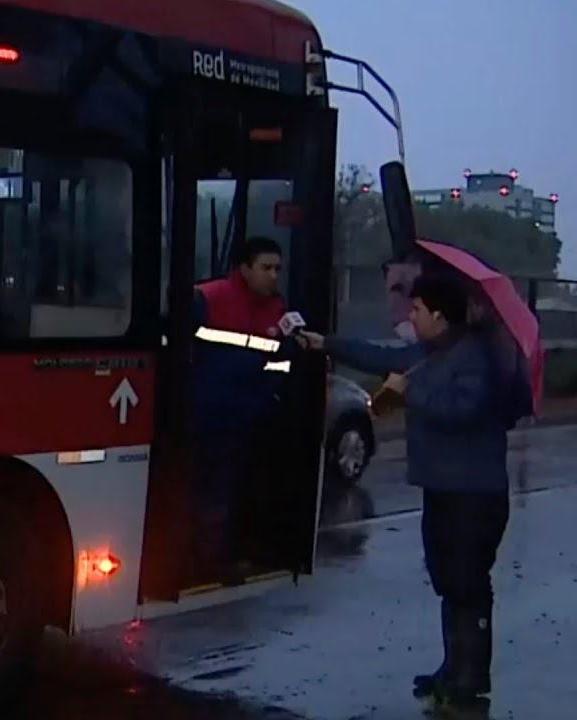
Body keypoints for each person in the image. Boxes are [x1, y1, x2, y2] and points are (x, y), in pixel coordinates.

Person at [298, 272, 515, 708]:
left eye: (417, 310)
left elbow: (465, 410)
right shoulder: (429, 353)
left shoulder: (476, 357)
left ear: (439, 315)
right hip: (440, 487)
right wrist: (326, 343)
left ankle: (472, 676)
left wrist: (407, 396)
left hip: (474, 493)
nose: (410, 317)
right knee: (447, 578)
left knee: (468, 583)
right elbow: (380, 355)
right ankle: (452, 667)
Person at [188, 237, 291, 583]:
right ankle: (208, 561)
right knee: (212, 493)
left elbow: (282, 363)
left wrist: (267, 397)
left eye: (278, 268)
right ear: (244, 269)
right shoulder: (207, 299)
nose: (274, 275)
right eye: (266, 268)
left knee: (238, 491)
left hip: (253, 418)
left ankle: (231, 554)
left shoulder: (279, 311)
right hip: (209, 416)